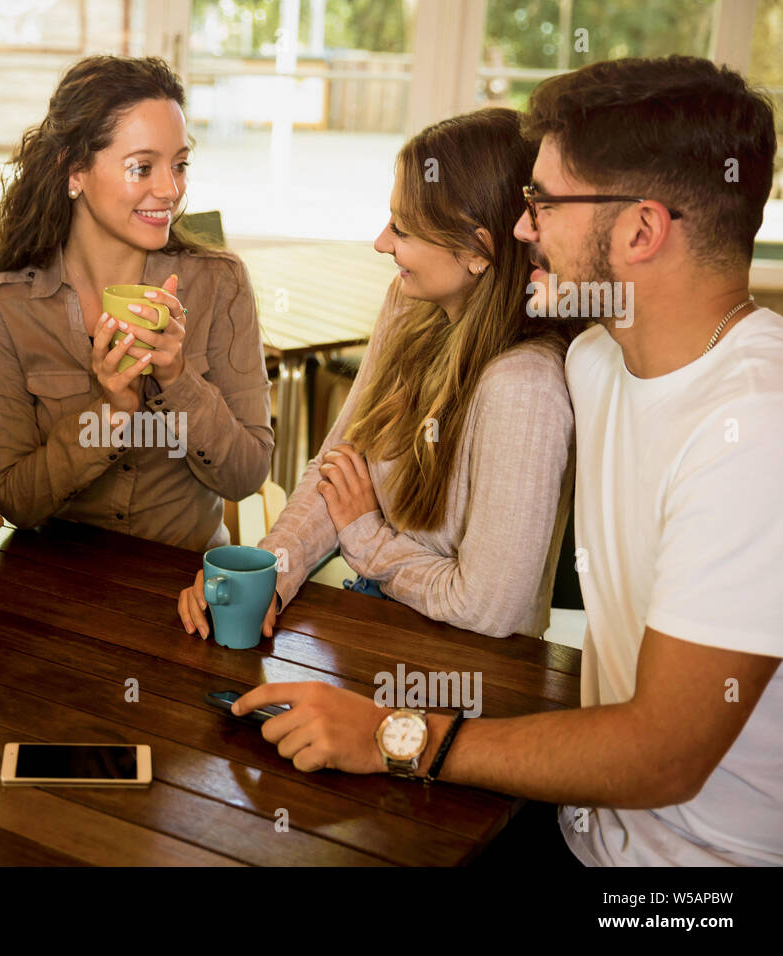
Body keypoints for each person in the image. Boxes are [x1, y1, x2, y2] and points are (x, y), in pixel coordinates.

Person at [233, 56, 782, 867]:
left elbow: (664, 754)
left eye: (544, 203)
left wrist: (396, 735)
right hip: (581, 825)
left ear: (640, 230)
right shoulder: (597, 360)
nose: (523, 228)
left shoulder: (754, 430)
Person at [178, 108, 583, 640]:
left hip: (467, 675)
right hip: (373, 630)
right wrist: (265, 576)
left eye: (404, 229)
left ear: (477, 250)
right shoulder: (407, 305)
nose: (381, 242)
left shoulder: (524, 387)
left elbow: (489, 610)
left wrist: (366, 538)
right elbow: (336, 469)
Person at [0, 55, 273, 552]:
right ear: (74, 171)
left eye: (179, 165)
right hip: (56, 585)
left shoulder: (221, 283)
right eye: (142, 167)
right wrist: (111, 413)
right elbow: (15, 502)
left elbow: (246, 476)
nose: (171, 189)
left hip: (188, 584)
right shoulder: (6, 306)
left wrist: (178, 380)